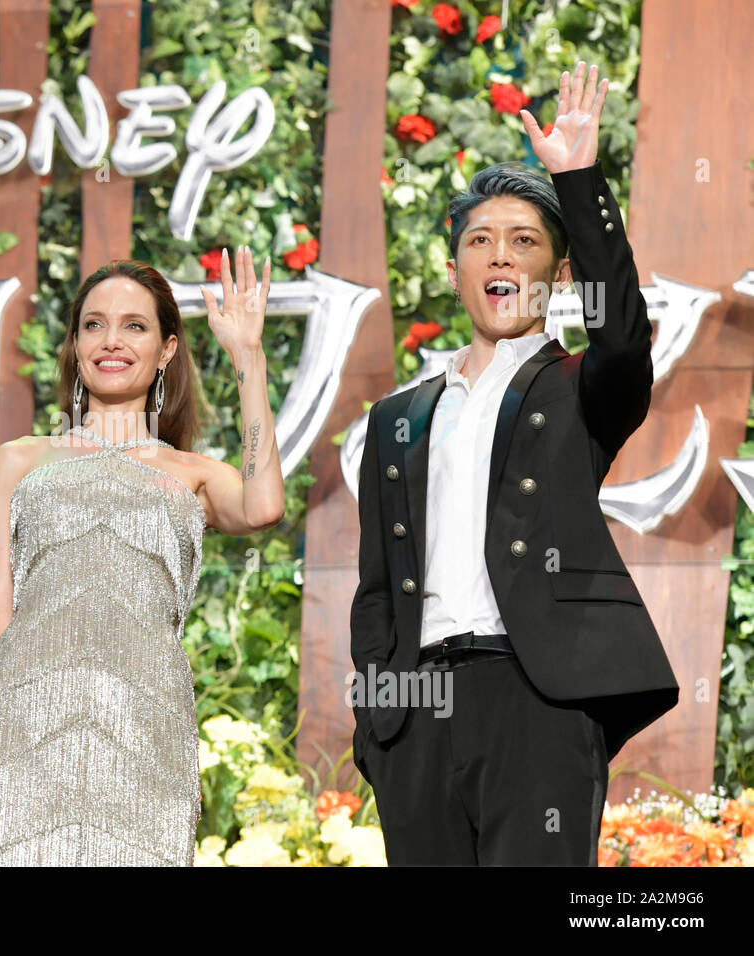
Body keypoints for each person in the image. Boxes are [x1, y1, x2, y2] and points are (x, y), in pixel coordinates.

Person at [349, 62, 678, 865]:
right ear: (455, 266)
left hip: (536, 696)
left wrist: (576, 178)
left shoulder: (580, 389)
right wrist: (377, 726)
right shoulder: (398, 417)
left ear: (559, 274)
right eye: (480, 240)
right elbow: (374, 591)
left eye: (525, 240)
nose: (501, 255)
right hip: (417, 711)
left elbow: (625, 334)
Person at [0, 250, 285, 865]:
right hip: (27, 734)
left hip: (146, 734)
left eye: (135, 325)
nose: (111, 340)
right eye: (94, 324)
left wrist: (248, 358)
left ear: (167, 349)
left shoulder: (192, 474)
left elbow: (261, 506)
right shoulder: (20, 460)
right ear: (74, 344)